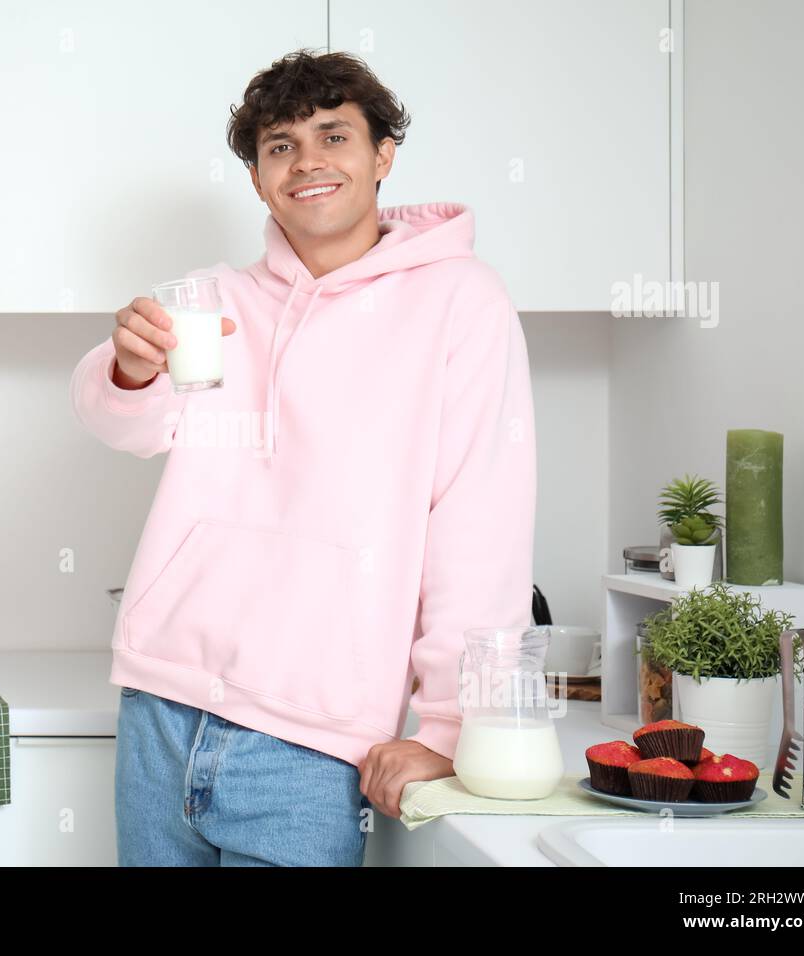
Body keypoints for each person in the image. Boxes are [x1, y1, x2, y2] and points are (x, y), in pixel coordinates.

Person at [70, 49, 536, 866]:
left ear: (383, 154)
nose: (308, 162)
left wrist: (450, 728)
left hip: (313, 744)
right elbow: (127, 426)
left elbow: (479, 522)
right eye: (281, 146)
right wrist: (129, 369)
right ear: (256, 177)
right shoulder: (214, 299)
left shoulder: (462, 303)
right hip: (161, 708)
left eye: (334, 136)